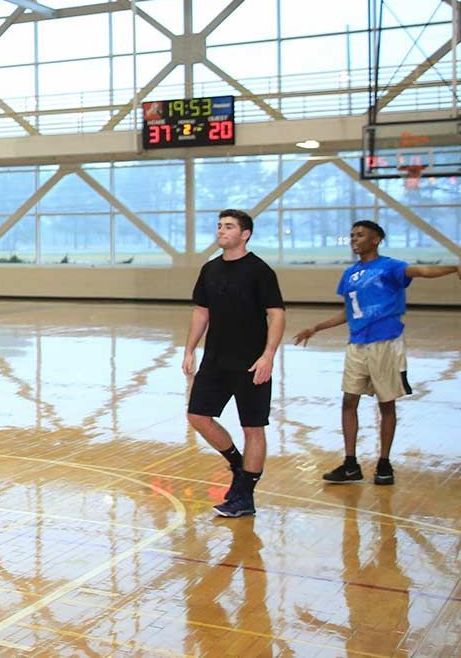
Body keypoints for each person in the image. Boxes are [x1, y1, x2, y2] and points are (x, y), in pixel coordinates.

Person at [292, 220, 459, 485]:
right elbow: (350, 311)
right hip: (357, 344)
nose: (354, 239)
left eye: (360, 235)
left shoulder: (390, 266)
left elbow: (421, 270)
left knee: (386, 403)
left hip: (386, 343)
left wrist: (452, 268)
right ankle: (350, 464)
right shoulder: (349, 274)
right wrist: (316, 327)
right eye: (351, 235)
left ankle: (384, 463)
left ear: (376, 239)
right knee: (349, 401)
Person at [182, 209, 285, 519]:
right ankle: (239, 466)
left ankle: (245, 494)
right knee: (198, 416)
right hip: (216, 359)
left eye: (228, 227)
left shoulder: (259, 271)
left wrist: (268, 356)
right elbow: (202, 311)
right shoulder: (209, 269)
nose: (221, 231)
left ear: (245, 234)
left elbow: (277, 315)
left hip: (251, 361)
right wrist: (189, 350)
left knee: (253, 427)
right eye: (219, 226)